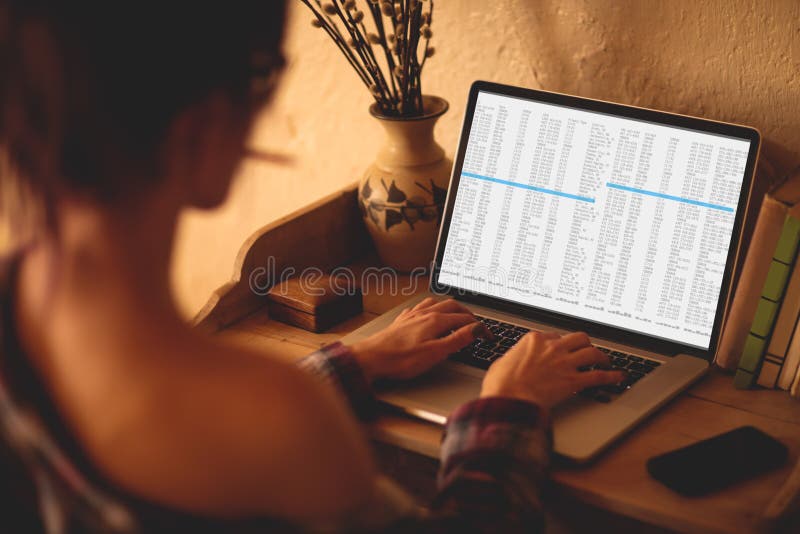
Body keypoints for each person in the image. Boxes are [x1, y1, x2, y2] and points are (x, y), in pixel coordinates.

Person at [0, 2, 626, 532]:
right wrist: (510, 405)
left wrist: (356, 362)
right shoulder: (285, 420)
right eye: (262, 77)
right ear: (200, 133)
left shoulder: (17, 311)